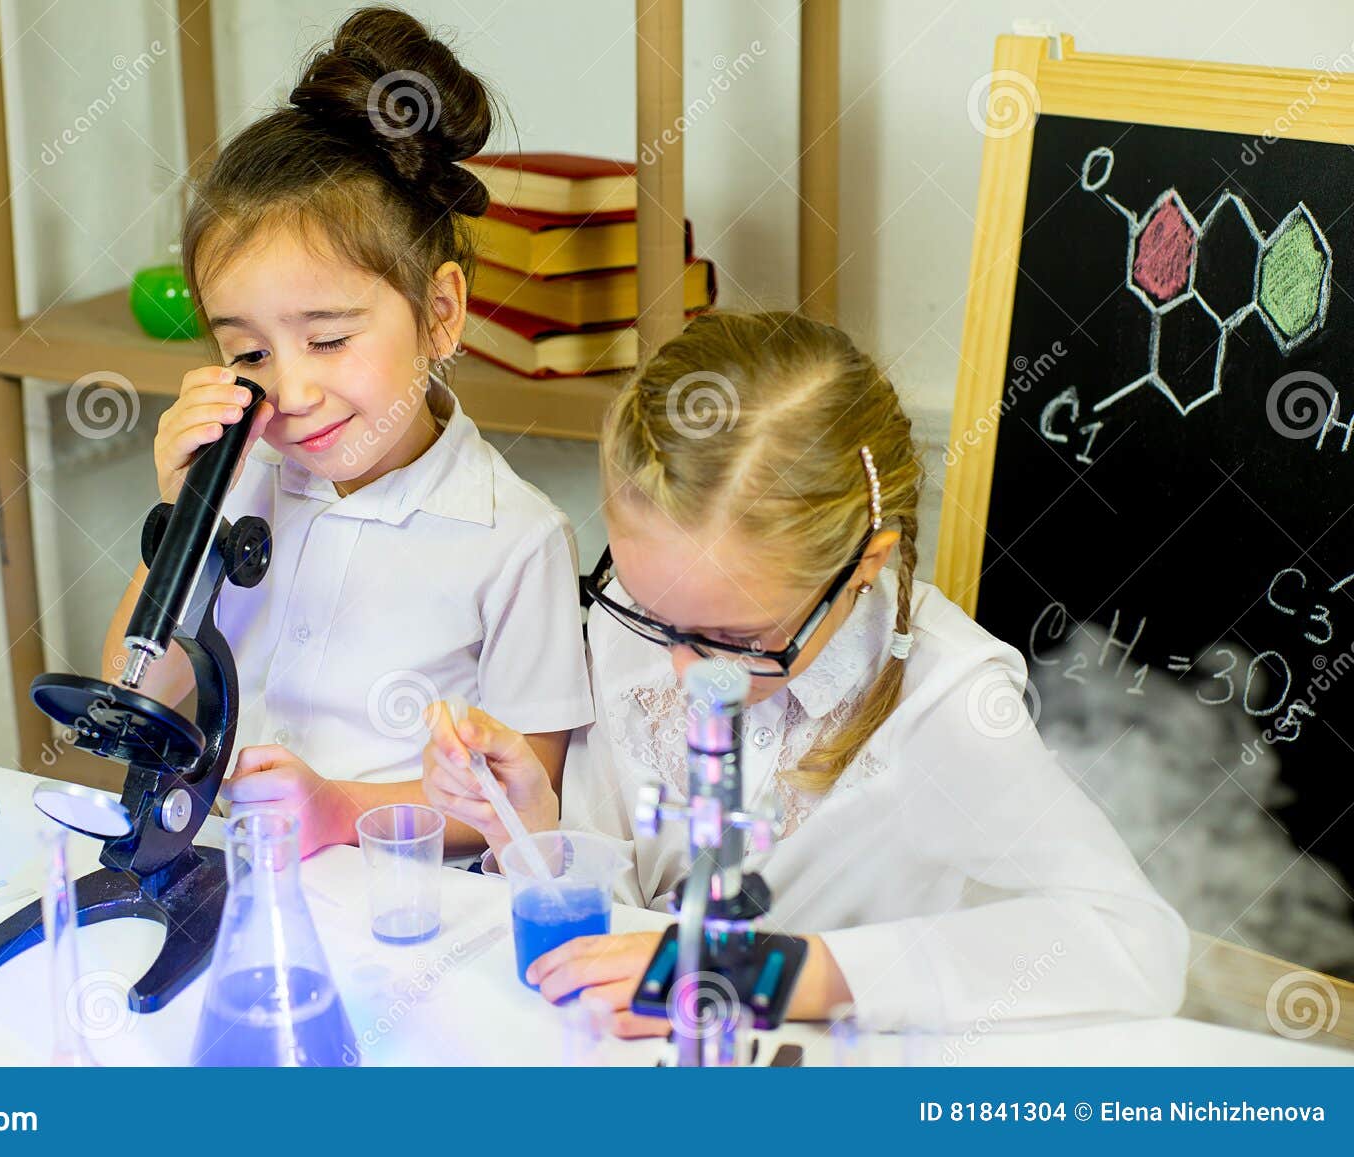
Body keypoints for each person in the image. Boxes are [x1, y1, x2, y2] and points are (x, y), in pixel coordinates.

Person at [421, 310, 1189, 1036]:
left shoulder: (946, 700)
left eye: (739, 638)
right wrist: (535, 828)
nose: (690, 672)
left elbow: (1135, 942)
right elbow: (625, 910)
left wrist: (782, 974)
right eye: (658, 621)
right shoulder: (642, 613)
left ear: (866, 565)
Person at [101, 7, 591, 856]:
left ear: (440, 315)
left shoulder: (515, 539)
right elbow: (133, 685)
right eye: (248, 350)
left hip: (406, 923)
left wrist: (337, 811)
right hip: (239, 892)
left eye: (328, 339)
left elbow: (519, 801)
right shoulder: (247, 481)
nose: (289, 388)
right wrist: (184, 523)